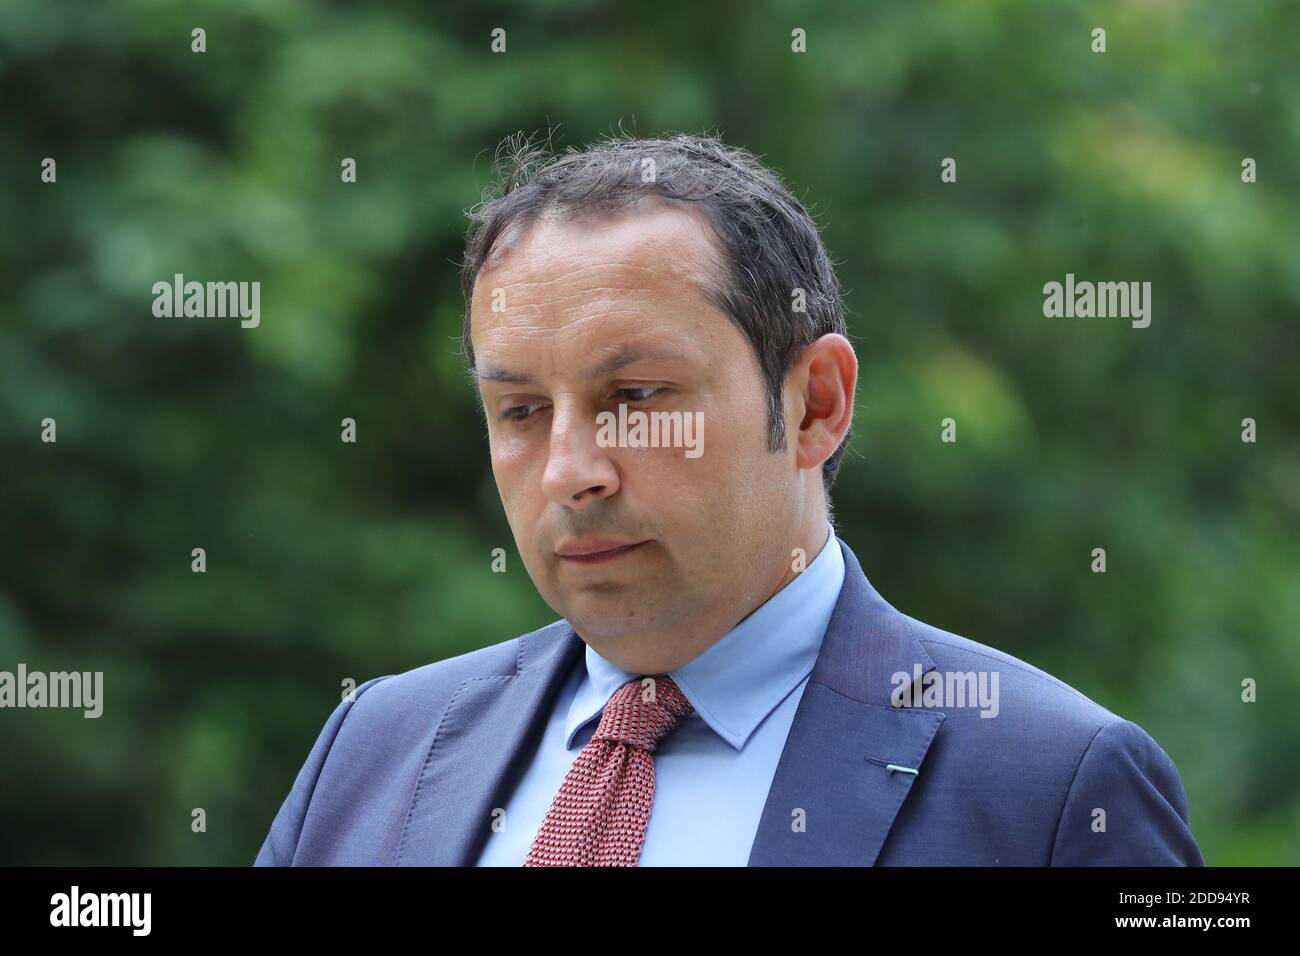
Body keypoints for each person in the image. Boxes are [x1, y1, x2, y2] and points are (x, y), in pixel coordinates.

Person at [254, 132, 1203, 866]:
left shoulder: (1050, 788)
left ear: (815, 404)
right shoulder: (374, 750)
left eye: (637, 397)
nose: (569, 471)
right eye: (522, 409)